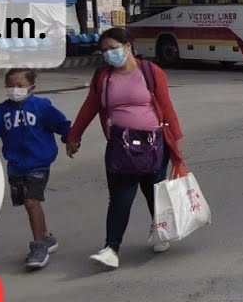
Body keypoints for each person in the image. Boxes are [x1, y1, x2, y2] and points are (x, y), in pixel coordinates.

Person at [66, 27, 185, 269]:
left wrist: (177, 143)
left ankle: (160, 230)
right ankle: (111, 248)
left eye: (113, 48)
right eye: (104, 50)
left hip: (154, 145)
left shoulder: (151, 72)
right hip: (120, 146)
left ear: (128, 46)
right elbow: (90, 107)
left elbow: (166, 107)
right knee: (120, 197)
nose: (109, 54)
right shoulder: (103, 77)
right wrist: (74, 136)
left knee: (154, 192)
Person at [0, 68, 72, 270]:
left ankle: (38, 247)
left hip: (39, 163)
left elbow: (62, 125)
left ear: (31, 88)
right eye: (10, 85)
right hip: (16, 165)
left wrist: (71, 140)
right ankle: (46, 237)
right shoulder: (1, 112)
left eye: (19, 86)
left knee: (31, 202)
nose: (14, 89)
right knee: (28, 203)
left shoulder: (42, 107)